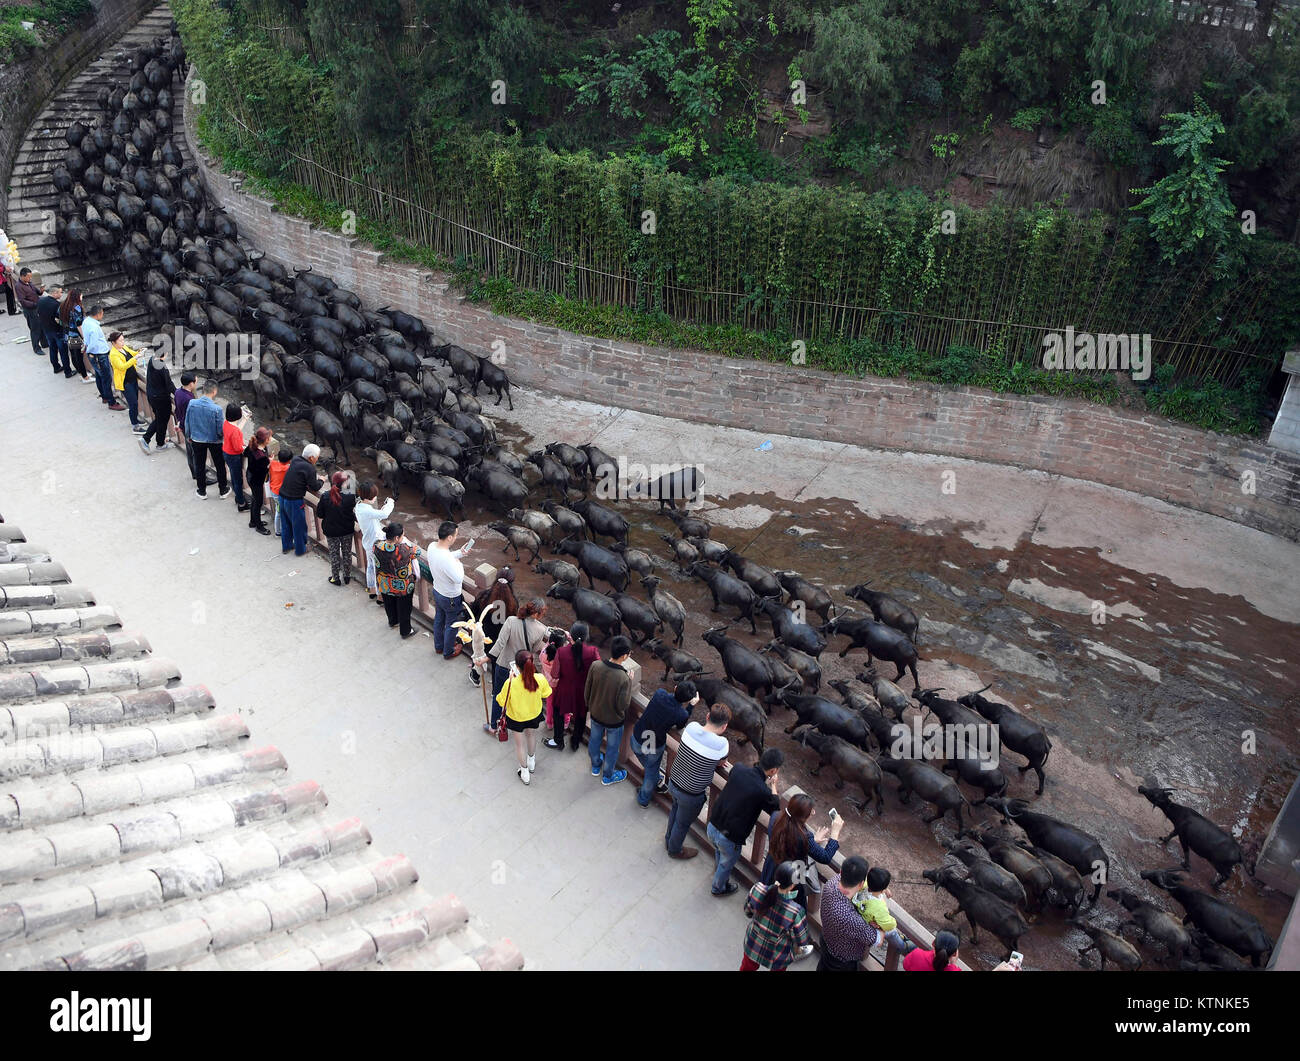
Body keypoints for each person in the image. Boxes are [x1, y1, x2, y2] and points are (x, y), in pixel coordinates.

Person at [708, 747, 783, 897]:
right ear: (774, 771)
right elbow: (775, 807)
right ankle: (718, 888)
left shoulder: (739, 768)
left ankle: (717, 872)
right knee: (726, 864)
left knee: (718, 851)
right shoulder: (763, 791)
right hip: (730, 836)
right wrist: (773, 786)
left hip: (713, 823)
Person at [665, 703, 731, 860]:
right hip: (691, 793)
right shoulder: (722, 744)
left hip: (674, 781)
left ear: (708, 716)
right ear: (724, 727)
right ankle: (674, 850)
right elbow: (721, 762)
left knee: (675, 809)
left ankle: (669, 839)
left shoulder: (691, 727)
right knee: (682, 823)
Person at [760, 792, 843, 913]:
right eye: (811, 811)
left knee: (768, 890)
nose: (813, 812)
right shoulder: (804, 837)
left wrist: (812, 841)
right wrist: (835, 832)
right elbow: (825, 857)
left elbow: (788, 839)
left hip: (772, 864)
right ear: (803, 816)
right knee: (791, 906)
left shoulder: (776, 817)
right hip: (792, 874)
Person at [629, 678, 696, 806]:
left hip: (639, 735)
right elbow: (681, 724)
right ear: (687, 700)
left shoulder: (659, 693)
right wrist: (691, 706)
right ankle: (643, 799)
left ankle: (655, 777)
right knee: (651, 771)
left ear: (675, 688)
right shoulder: (681, 713)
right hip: (654, 744)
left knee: (648, 764)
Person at [486, 600, 550, 731]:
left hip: (503, 665)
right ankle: (513, 721)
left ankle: (494, 726)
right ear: (538, 614)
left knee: (499, 695)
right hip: (522, 671)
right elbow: (536, 648)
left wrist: (485, 658)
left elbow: (500, 643)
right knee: (517, 696)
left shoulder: (511, 621)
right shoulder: (541, 629)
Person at [740, 861, 814, 971]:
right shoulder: (796, 912)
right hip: (778, 954)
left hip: (753, 942)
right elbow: (801, 941)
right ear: (792, 886)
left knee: (747, 967)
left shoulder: (757, 888)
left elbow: (747, 912)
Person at [496, 649, 551, 786]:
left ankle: (524, 771)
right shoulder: (539, 679)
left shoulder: (511, 683)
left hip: (516, 717)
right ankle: (531, 761)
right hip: (534, 714)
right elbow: (546, 694)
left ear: (517, 667)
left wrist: (510, 679)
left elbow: (501, 701)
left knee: (519, 744)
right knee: (531, 736)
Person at [584, 636, 633, 786]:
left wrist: (591, 706)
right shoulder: (623, 678)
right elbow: (623, 704)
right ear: (624, 656)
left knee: (594, 739)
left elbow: (587, 691)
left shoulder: (596, 666)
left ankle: (595, 765)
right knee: (612, 748)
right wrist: (630, 681)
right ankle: (608, 776)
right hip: (614, 721)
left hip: (596, 713)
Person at [817, 855, 880, 971]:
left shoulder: (832, 883)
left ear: (841, 872)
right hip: (841, 960)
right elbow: (876, 939)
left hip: (826, 940)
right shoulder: (852, 919)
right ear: (861, 884)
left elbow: (855, 894)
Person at [549, 620, 599, 750]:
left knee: (558, 712)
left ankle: (558, 740)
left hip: (564, 689)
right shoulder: (593, 652)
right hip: (583, 692)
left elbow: (555, 675)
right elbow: (599, 669)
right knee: (581, 717)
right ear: (587, 636)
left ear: (570, 635)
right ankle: (575, 742)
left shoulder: (561, 652)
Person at [426, 521, 472, 661]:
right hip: (450, 597)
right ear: (450, 538)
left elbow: (446, 557)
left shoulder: (432, 546)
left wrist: (459, 553)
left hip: (437, 591)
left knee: (439, 619)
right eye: (456, 535)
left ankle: (439, 646)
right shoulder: (447, 559)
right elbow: (458, 578)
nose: (456, 537)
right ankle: (448, 651)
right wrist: (460, 564)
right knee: (452, 624)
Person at [465, 571, 517, 689]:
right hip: (500, 640)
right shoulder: (513, 603)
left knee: (479, 655)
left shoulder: (484, 596)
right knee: (496, 663)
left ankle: (475, 676)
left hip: (483, 636)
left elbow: (473, 612)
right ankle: (495, 688)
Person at [854, 866, 917, 957]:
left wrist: (885, 890)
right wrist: (893, 921)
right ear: (882, 889)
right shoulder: (879, 907)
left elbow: (871, 882)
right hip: (872, 926)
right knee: (892, 931)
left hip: (863, 914)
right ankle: (903, 946)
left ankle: (901, 938)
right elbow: (889, 924)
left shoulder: (864, 884)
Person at [373, 522, 420, 638]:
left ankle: (393, 621)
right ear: (396, 538)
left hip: (384, 582)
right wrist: (406, 542)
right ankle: (406, 631)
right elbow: (417, 552)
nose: (403, 537)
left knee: (389, 602)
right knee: (404, 607)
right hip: (402, 585)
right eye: (402, 536)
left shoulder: (377, 545)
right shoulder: (404, 549)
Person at [184, 380, 229, 498]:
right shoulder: (217, 409)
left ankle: (202, 491)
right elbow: (220, 429)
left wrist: (188, 436)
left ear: (203, 389)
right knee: (220, 465)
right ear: (214, 391)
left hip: (197, 439)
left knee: (199, 464)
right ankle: (223, 490)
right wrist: (221, 438)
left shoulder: (192, 403)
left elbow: (187, 422)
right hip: (214, 440)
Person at [278, 444, 325, 555]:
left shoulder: (296, 459)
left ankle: (286, 546)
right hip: (294, 500)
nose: (317, 459)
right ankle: (300, 550)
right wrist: (322, 480)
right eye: (317, 457)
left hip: (282, 495)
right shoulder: (310, 468)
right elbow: (315, 486)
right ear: (311, 458)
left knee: (285, 523)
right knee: (298, 526)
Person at [316, 471, 358, 585]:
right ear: (344, 484)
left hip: (331, 531)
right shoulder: (350, 496)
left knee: (334, 554)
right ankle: (347, 576)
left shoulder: (325, 496)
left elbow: (319, 514)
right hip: (347, 530)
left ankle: (335, 578)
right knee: (347, 553)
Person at [80, 304, 119, 408]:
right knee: (106, 378)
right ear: (99, 314)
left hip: (93, 354)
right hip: (99, 354)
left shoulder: (86, 321)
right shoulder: (94, 327)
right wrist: (90, 351)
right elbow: (93, 344)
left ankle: (104, 396)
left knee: (99, 375)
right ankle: (111, 402)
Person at [108, 331, 144, 431]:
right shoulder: (113, 355)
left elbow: (132, 354)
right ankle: (135, 426)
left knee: (135, 401)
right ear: (114, 343)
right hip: (125, 382)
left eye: (123, 339)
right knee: (132, 404)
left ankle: (135, 419)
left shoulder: (123, 347)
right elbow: (122, 367)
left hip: (132, 379)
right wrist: (135, 358)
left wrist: (139, 352)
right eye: (120, 341)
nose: (123, 342)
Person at [140, 349, 174, 453]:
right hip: (161, 397)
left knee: (159, 419)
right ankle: (153, 441)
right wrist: (177, 393)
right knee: (162, 419)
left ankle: (152, 440)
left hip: (152, 395)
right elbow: (168, 384)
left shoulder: (152, 359)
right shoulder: (162, 366)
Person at [244, 427, 272, 535]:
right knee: (258, 502)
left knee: (255, 499)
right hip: (256, 480)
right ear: (265, 440)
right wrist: (270, 462)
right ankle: (259, 526)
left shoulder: (252, 446)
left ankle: (253, 521)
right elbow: (264, 470)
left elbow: (245, 453)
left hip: (250, 475)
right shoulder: (261, 457)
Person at [37, 283, 70, 377]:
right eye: (60, 292)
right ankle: (67, 371)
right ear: (54, 293)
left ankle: (56, 367)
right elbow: (62, 319)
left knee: (52, 349)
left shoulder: (41, 301)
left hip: (47, 330)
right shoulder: (57, 304)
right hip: (58, 331)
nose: (61, 294)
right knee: (63, 351)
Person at [222, 404, 249, 511]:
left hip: (226, 452)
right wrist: (246, 447)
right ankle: (241, 504)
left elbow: (236, 430)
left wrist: (244, 420)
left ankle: (238, 498)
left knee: (234, 476)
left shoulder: (226, 424)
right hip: (234, 456)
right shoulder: (235, 431)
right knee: (238, 480)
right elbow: (238, 448)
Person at [59, 288, 89, 382]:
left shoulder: (64, 305)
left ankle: (80, 372)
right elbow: (79, 324)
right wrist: (84, 337)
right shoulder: (77, 308)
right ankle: (85, 376)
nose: (82, 296)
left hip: (68, 334)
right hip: (75, 335)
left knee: (73, 354)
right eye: (81, 295)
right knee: (78, 356)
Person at [15, 268, 45, 356]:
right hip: (30, 310)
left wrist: (41, 291)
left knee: (41, 325)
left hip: (37, 307)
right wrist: (35, 304)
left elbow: (37, 292)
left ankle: (44, 343)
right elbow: (22, 301)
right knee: (34, 329)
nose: (30, 279)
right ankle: (36, 348)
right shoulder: (18, 286)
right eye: (28, 277)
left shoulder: (30, 283)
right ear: (22, 276)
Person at [267, 446, 293, 537]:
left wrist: (271, 459)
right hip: (281, 494)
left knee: (279, 510)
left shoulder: (272, 464)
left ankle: (278, 530)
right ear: (289, 460)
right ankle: (278, 531)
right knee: (280, 512)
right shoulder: (288, 469)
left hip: (274, 491)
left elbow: (270, 462)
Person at [173, 371, 197, 456]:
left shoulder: (178, 392)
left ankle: (193, 467)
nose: (196, 384)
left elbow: (177, 410)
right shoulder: (189, 399)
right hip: (189, 428)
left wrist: (179, 423)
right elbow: (188, 416)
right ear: (191, 384)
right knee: (194, 451)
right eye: (195, 382)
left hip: (182, 424)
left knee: (189, 449)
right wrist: (181, 425)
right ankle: (196, 468)